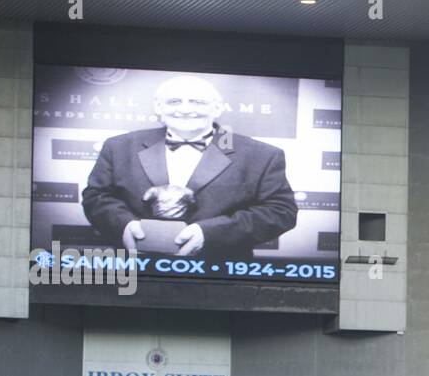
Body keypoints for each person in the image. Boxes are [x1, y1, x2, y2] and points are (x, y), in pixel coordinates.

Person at [81, 74, 297, 259]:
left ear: (218, 108)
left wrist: (210, 233)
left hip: (222, 274)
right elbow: (96, 197)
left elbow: (280, 212)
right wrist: (124, 225)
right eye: (174, 101)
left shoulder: (262, 155)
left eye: (197, 102)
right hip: (135, 271)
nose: (185, 110)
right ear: (159, 107)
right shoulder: (118, 147)